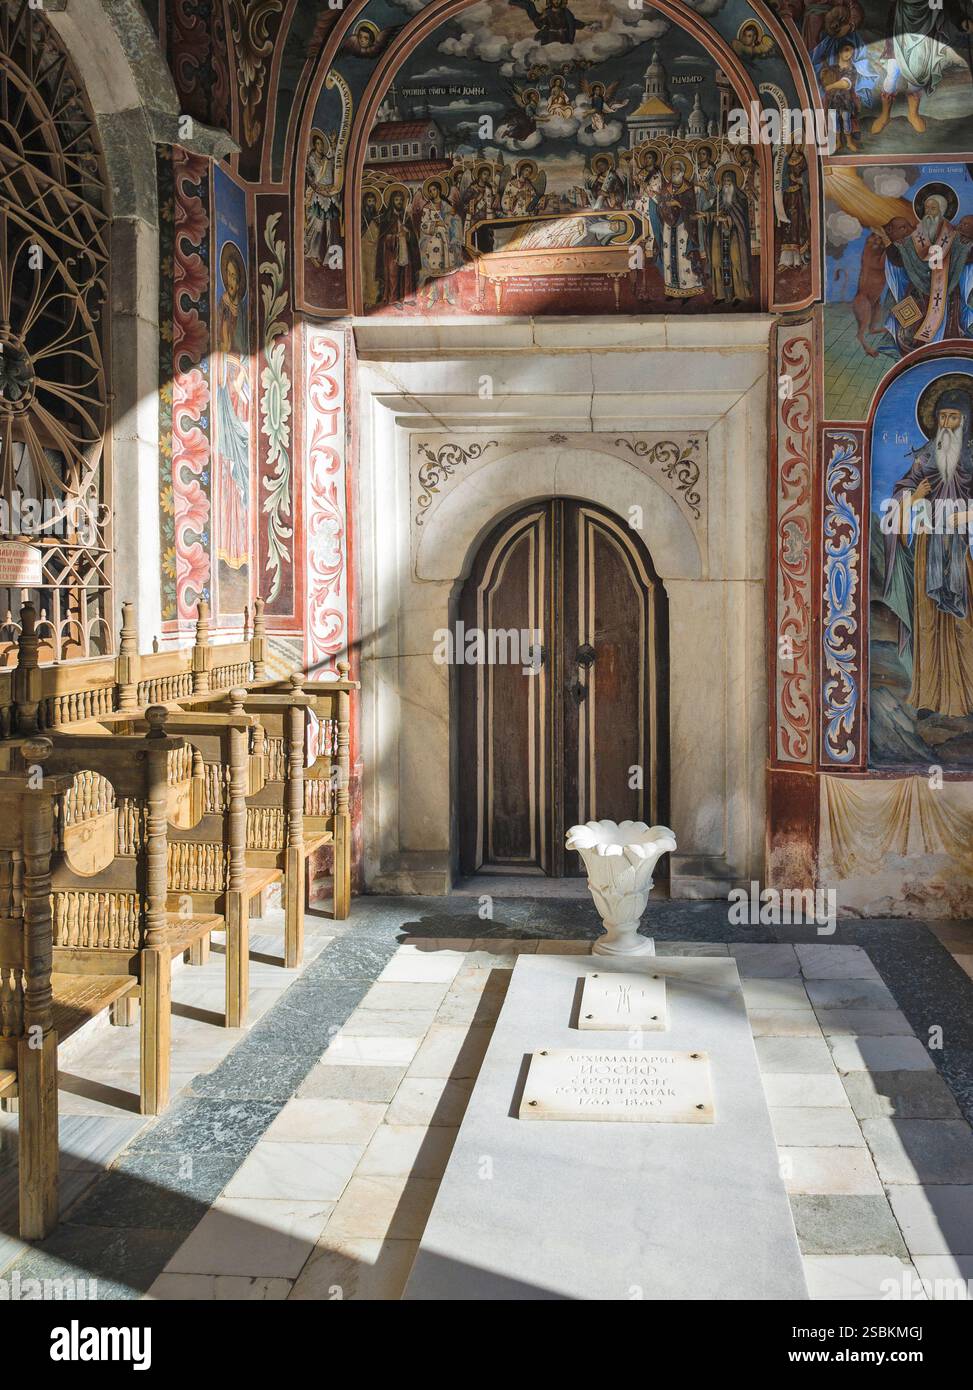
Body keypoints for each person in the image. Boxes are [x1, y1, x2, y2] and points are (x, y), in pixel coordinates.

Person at [883, 382, 973, 715]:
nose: (947, 424)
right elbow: (899, 497)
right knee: (927, 621)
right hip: (927, 547)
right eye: (943, 417)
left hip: (962, 548)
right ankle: (930, 698)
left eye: (954, 417)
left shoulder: (972, 456)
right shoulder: (924, 456)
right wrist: (916, 498)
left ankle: (966, 699)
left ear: (965, 420)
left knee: (964, 621)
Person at [881, 188, 973, 351]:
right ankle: (913, 348)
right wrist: (889, 243)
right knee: (911, 320)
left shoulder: (953, 235)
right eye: (926, 208)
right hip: (918, 288)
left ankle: (943, 347)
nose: (928, 212)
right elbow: (899, 257)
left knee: (947, 323)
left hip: (946, 288)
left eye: (933, 208)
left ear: (942, 211)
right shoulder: (916, 235)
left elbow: (967, 253)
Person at [215, 242, 250, 570]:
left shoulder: (239, 305)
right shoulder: (225, 305)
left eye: (236, 275)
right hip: (230, 371)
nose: (232, 280)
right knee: (232, 466)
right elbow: (224, 344)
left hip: (238, 370)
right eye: (228, 274)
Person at [658, 156, 704, 299]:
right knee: (668, 256)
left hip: (683, 226)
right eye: (672, 169)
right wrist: (663, 206)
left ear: (683, 171)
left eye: (678, 169)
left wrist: (678, 205)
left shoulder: (688, 187)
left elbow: (691, 208)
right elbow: (660, 204)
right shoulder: (666, 187)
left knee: (683, 256)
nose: (675, 172)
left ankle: (688, 288)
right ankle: (671, 288)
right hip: (668, 226)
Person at [706, 168, 752, 303]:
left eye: (729, 181)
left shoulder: (741, 198)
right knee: (717, 262)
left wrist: (728, 219)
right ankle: (721, 294)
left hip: (735, 236)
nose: (726, 184)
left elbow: (741, 219)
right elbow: (712, 211)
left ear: (734, 182)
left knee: (736, 262)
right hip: (718, 234)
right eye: (724, 181)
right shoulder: (719, 197)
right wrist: (710, 216)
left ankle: (739, 294)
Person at [377, 185, 420, 307]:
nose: (399, 202)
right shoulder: (387, 218)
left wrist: (408, 233)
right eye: (397, 200)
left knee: (407, 273)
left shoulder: (406, 217)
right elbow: (383, 238)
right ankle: (394, 299)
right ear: (392, 201)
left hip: (405, 248)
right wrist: (395, 236)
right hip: (392, 251)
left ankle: (407, 297)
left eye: (401, 200)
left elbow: (413, 236)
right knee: (393, 274)